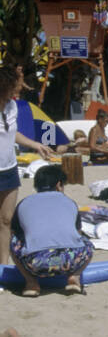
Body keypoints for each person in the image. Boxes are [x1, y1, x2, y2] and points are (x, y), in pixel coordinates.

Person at [0, 66, 57, 266]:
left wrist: (36, 145)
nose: (20, 88)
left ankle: (3, 266)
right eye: (16, 85)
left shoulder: (13, 107)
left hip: (9, 170)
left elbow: (12, 133)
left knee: (6, 221)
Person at [9, 165, 94, 297]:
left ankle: (31, 283)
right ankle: (74, 278)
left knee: (13, 240)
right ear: (59, 184)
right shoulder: (69, 202)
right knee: (87, 242)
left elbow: (15, 232)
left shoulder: (24, 203)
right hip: (70, 260)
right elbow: (77, 232)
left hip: (36, 263)